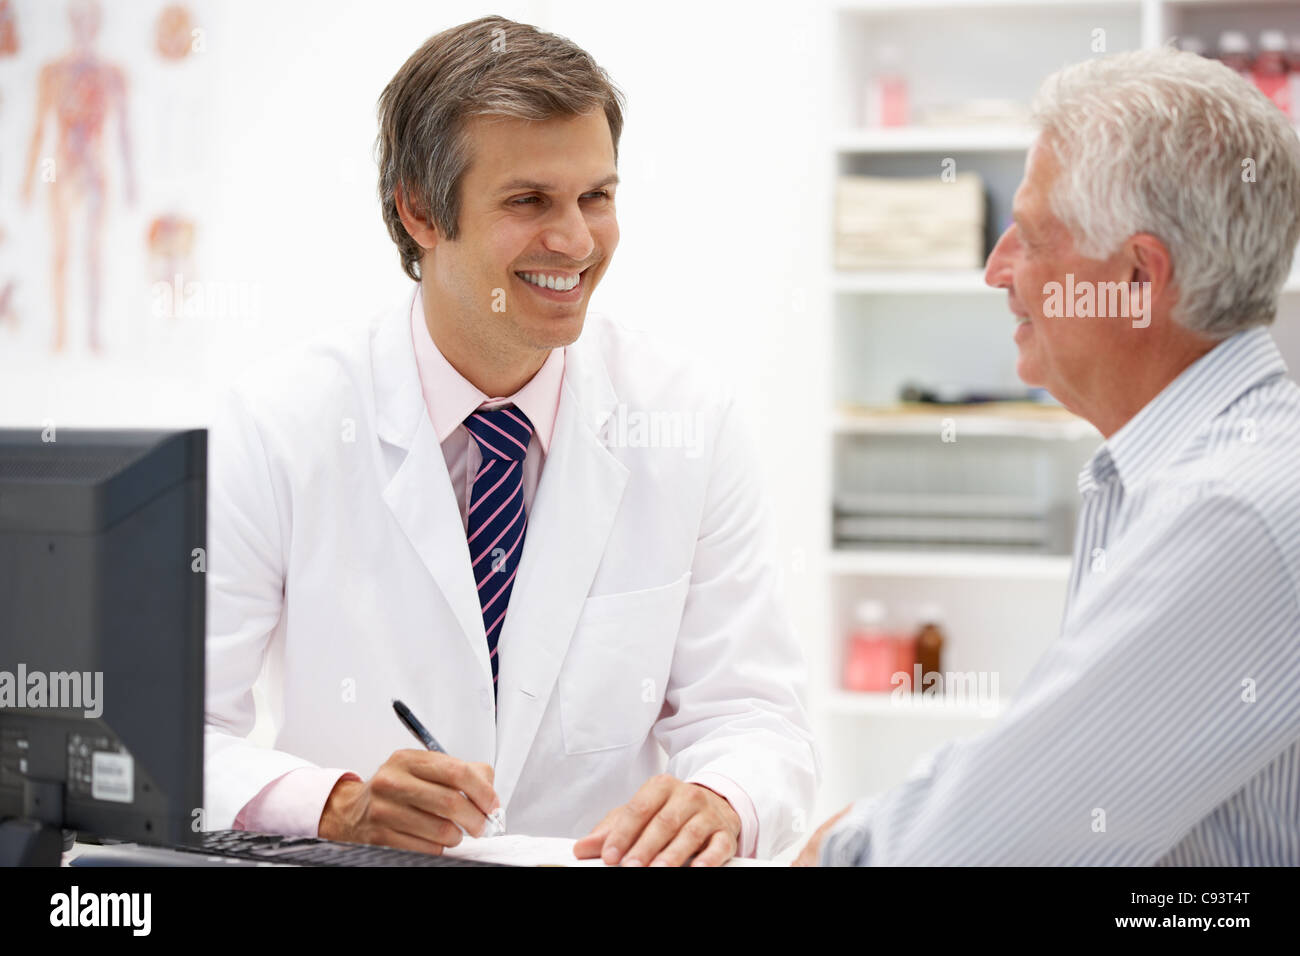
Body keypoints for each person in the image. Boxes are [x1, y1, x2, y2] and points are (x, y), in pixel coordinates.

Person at [205, 15, 817, 866]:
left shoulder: (687, 418)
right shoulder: (279, 422)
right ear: (420, 210)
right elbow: (172, 736)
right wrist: (339, 806)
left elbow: (755, 716)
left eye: (595, 197)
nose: (574, 241)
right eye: (529, 201)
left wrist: (721, 799)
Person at [798, 46, 1300, 866]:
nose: (996, 270)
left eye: (1028, 237)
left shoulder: (1232, 508)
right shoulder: (1172, 473)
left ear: (1138, 278)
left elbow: (982, 849)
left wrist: (843, 849)